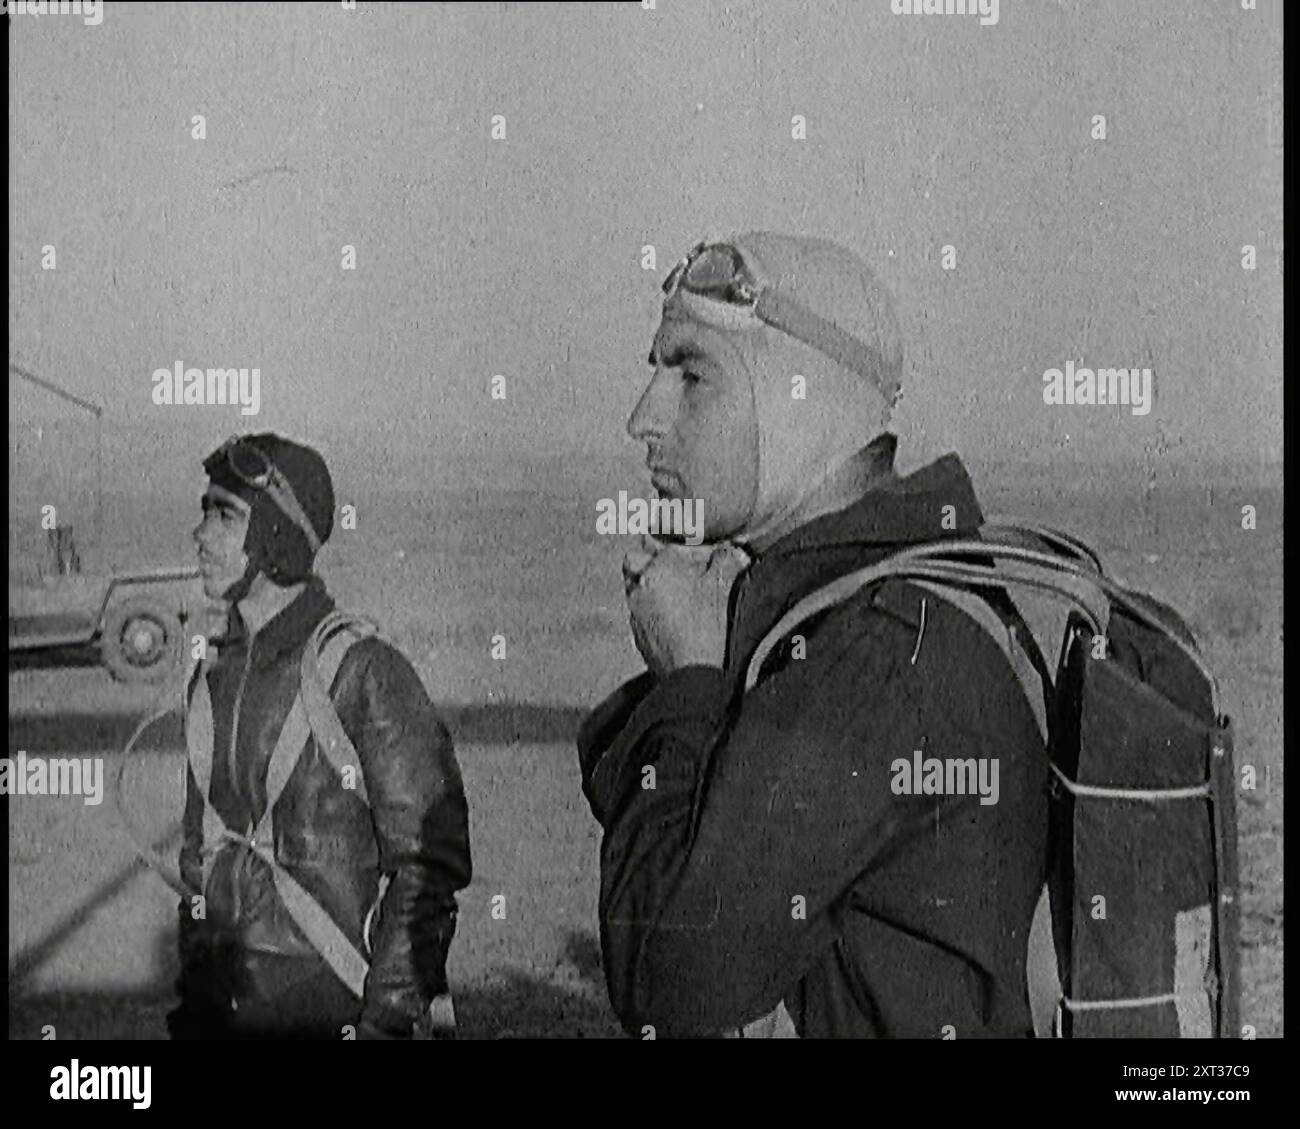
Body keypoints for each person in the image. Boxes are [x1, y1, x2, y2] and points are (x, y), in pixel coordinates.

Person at [577, 232, 1049, 1038]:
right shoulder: (879, 604)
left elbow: (667, 982)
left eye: (691, 375)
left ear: (797, 398)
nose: (642, 420)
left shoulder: (870, 655)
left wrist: (687, 682)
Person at [168, 432, 471, 1040]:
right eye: (204, 513)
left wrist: (385, 1020)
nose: (201, 536)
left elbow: (428, 865)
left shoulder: (362, 670)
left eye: (225, 516)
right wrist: (195, 1006)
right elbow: (201, 862)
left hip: (336, 1014)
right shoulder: (212, 678)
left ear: (275, 535)